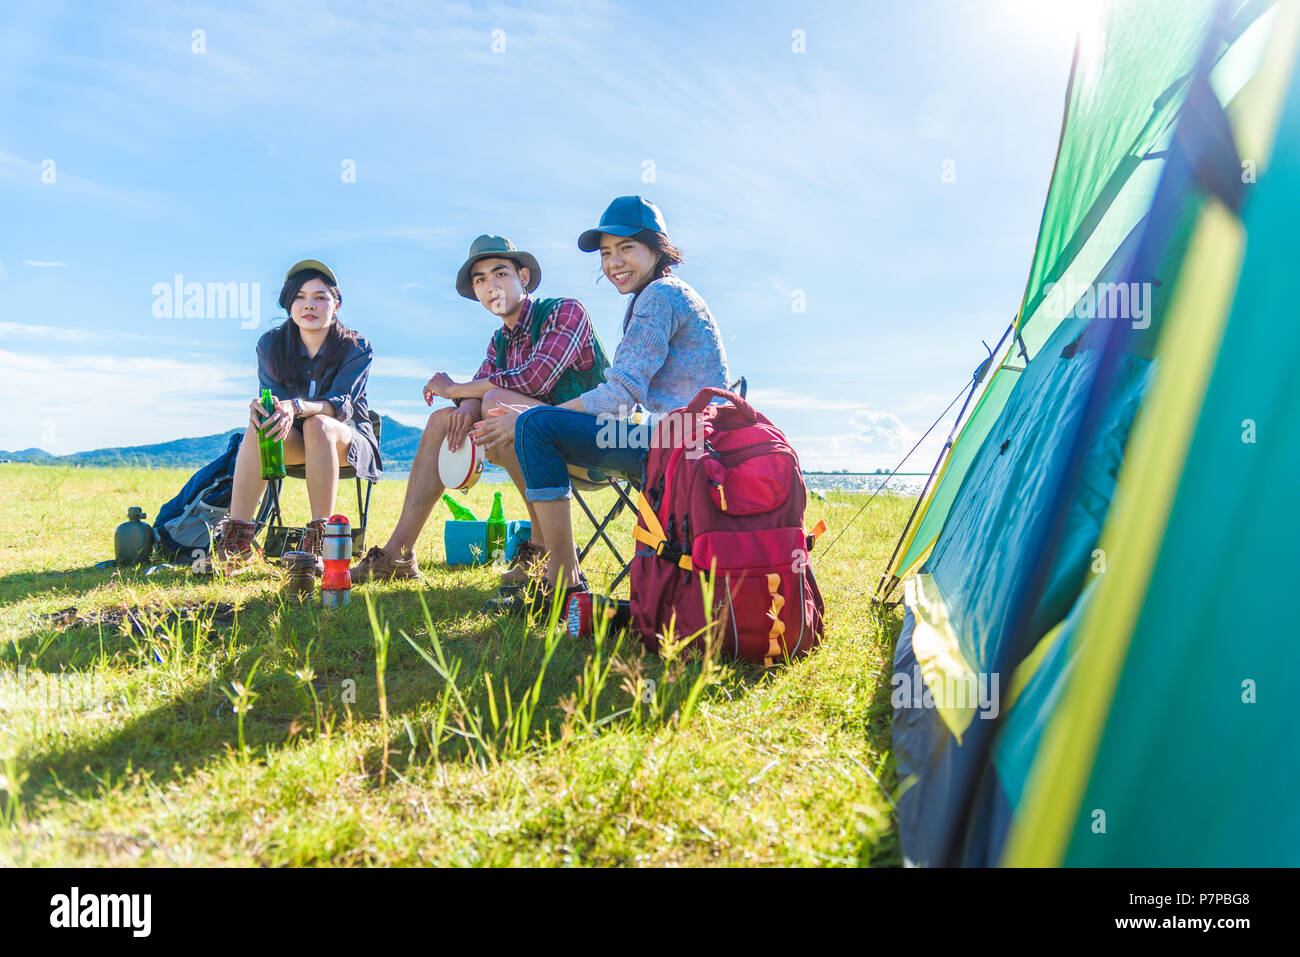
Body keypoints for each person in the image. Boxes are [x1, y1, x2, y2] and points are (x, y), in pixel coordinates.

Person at [472, 196, 729, 613]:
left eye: (626, 248)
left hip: (680, 445)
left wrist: (534, 416)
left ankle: (562, 583)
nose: (613, 263)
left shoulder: (659, 296)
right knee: (539, 424)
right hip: (680, 438)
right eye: (606, 253)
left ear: (656, 247)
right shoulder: (658, 295)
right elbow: (625, 402)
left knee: (538, 427)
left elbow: (616, 397)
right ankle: (559, 572)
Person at [350, 234, 607, 582]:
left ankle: (545, 545)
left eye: (500, 274)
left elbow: (533, 381)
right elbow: (482, 383)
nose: (491, 286)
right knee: (444, 418)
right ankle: (398, 555)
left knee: (496, 404)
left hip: (599, 440)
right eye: (480, 280)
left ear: (524, 277)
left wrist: (456, 389)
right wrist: (464, 404)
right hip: (542, 439)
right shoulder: (499, 341)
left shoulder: (564, 311)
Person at [213, 259, 381, 573]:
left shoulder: (357, 346)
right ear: (289, 303)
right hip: (294, 441)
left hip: (346, 440)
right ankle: (238, 541)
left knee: (320, 425)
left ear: (336, 304)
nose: (309, 305)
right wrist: (267, 408)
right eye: (300, 297)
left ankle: (320, 539)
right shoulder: (271, 344)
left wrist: (299, 406)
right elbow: (274, 401)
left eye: (320, 297)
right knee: (261, 424)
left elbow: (343, 404)